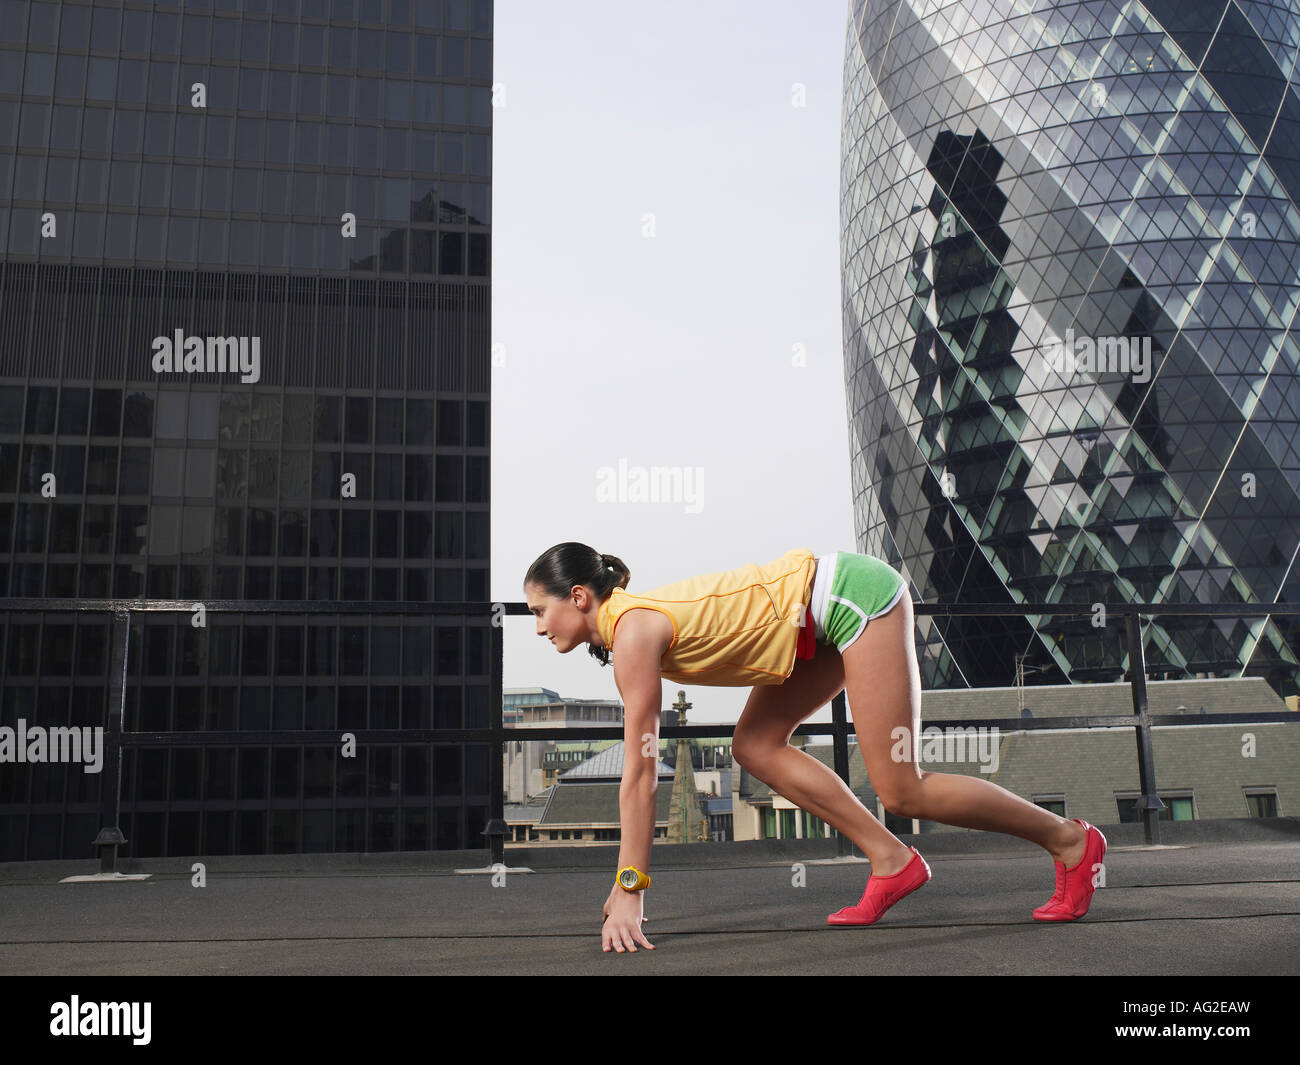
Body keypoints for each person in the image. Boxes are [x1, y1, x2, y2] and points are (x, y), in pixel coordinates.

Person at [523, 543, 1106, 954]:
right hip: (809, 626)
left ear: (577, 597)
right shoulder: (629, 628)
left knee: (902, 788)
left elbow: (641, 775)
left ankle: (1072, 840)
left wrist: (631, 890)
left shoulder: (633, 633)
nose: (540, 627)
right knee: (753, 745)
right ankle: (892, 860)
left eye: (540, 612)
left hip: (853, 597)